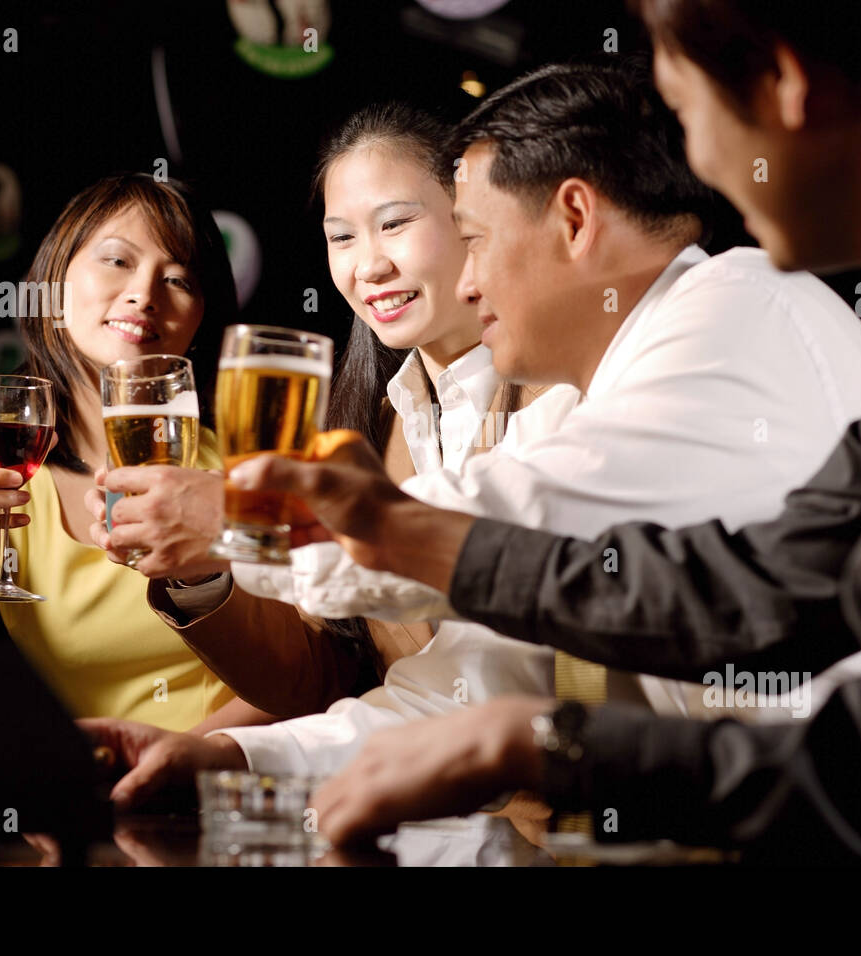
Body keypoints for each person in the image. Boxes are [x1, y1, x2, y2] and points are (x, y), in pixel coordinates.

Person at [230, 0, 861, 863]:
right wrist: (256, 745)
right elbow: (763, 586)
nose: (692, 165)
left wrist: (555, 750)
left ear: (785, 83)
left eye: (688, 115)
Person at [80, 60, 861, 813]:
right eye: (342, 237)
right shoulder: (588, 391)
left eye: (474, 240)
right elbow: (465, 683)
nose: (464, 282)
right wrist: (227, 760)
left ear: (574, 218)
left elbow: (516, 521)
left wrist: (239, 522)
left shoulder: (736, 309)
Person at [83, 103, 541, 718]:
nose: (368, 265)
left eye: (396, 223)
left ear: (472, 216)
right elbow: (322, 678)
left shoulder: (563, 392)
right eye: (342, 237)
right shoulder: (372, 428)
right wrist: (203, 571)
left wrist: (239, 524)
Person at [0, 173, 256, 733]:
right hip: (86, 795)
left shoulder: (244, 461)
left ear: (200, 318)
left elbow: (314, 667)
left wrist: (177, 760)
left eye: (179, 279)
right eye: (117, 260)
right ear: (54, 281)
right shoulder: (0, 463)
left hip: (234, 777)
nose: (144, 294)